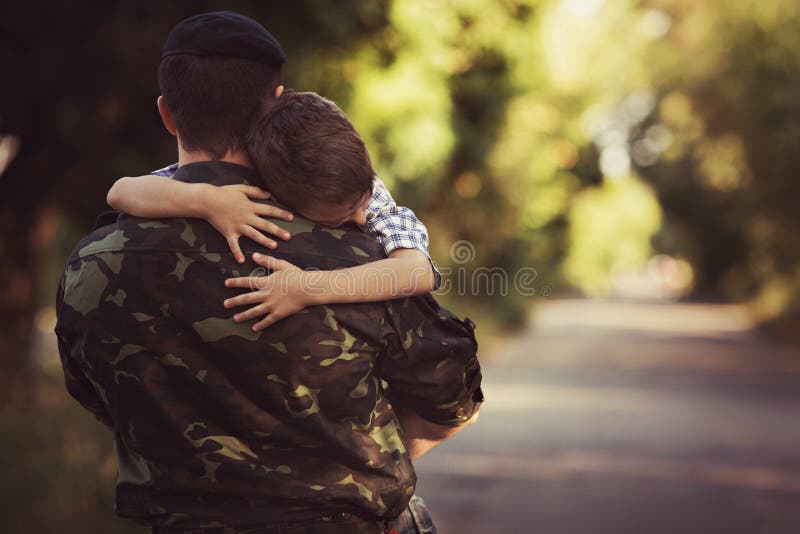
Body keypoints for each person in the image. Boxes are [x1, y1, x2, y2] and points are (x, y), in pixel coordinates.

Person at [55, 11, 483, 534]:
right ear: (274, 104)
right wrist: (363, 468)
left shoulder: (95, 264)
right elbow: (453, 398)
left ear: (168, 115)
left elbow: (96, 396)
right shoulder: (362, 259)